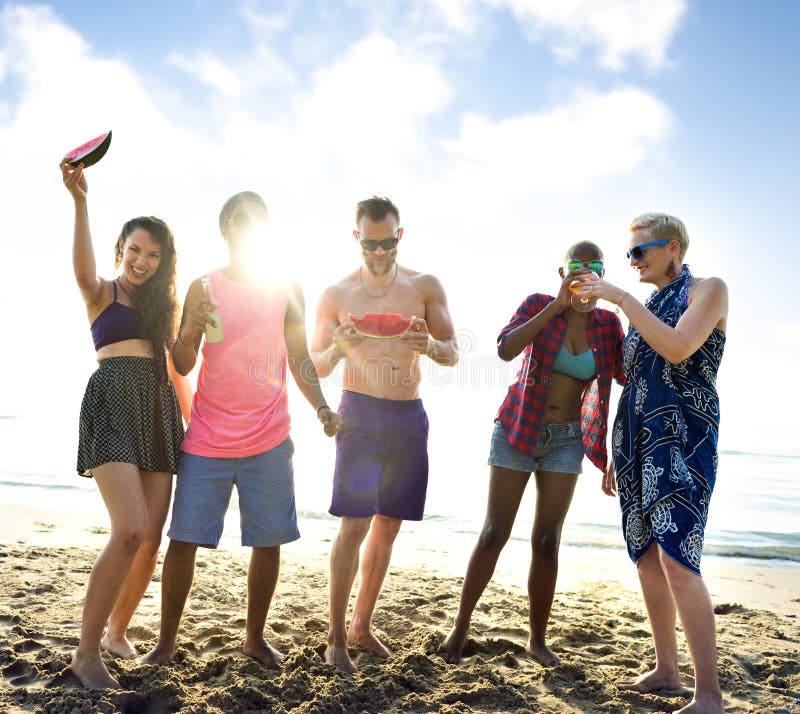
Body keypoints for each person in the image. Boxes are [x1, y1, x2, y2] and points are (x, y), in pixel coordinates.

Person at [142, 191, 341, 669]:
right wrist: (188, 329)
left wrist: (322, 407)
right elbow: (183, 364)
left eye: (259, 223)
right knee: (184, 539)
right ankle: (166, 645)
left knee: (267, 540)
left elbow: (298, 358)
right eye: (242, 222)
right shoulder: (202, 286)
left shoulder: (286, 285)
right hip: (208, 436)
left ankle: (254, 638)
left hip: (269, 437)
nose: (250, 231)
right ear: (226, 227)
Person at [442, 241, 625, 667]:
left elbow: (627, 380)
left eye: (594, 266)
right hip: (518, 428)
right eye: (575, 267)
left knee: (547, 540)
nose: (584, 273)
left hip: (567, 439)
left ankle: (536, 640)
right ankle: (461, 625)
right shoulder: (539, 303)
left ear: (601, 274)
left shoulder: (608, 325)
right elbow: (505, 348)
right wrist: (557, 307)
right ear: (561, 273)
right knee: (494, 532)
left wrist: (618, 450)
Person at [577, 213, 727, 714]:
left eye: (640, 251)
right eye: (629, 253)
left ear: (673, 248)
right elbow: (632, 382)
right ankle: (667, 670)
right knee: (645, 555)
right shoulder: (648, 305)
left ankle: (709, 695)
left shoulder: (707, 290)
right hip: (637, 441)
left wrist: (618, 299)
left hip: (684, 438)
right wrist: (614, 454)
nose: (632, 261)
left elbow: (679, 348)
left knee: (678, 557)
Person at [310, 196, 458, 673]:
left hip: (408, 416)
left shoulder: (425, 286)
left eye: (387, 242)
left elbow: (452, 352)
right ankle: (335, 638)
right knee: (353, 524)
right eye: (370, 243)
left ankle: (361, 625)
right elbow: (314, 364)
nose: (379, 252)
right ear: (357, 239)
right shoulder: (336, 294)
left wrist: (429, 346)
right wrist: (338, 346)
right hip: (359, 412)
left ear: (400, 235)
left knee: (388, 524)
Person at [61, 159, 191, 689]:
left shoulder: (167, 307)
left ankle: (117, 632)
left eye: (154, 255)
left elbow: (181, 367)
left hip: (158, 406)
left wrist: (194, 418)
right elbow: (84, 270)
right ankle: (86, 653)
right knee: (130, 528)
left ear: (164, 263)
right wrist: (81, 202)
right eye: (135, 250)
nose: (142, 261)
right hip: (113, 399)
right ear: (122, 248)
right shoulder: (101, 292)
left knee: (151, 538)